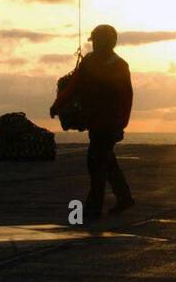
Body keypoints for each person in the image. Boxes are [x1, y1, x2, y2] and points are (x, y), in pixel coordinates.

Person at [50, 24, 134, 220]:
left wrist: (121, 123)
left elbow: (126, 97)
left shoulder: (119, 66)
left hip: (110, 124)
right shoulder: (89, 62)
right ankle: (124, 198)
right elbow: (74, 85)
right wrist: (58, 104)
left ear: (106, 42)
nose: (94, 44)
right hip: (95, 122)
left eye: (96, 41)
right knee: (106, 162)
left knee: (95, 162)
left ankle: (93, 207)